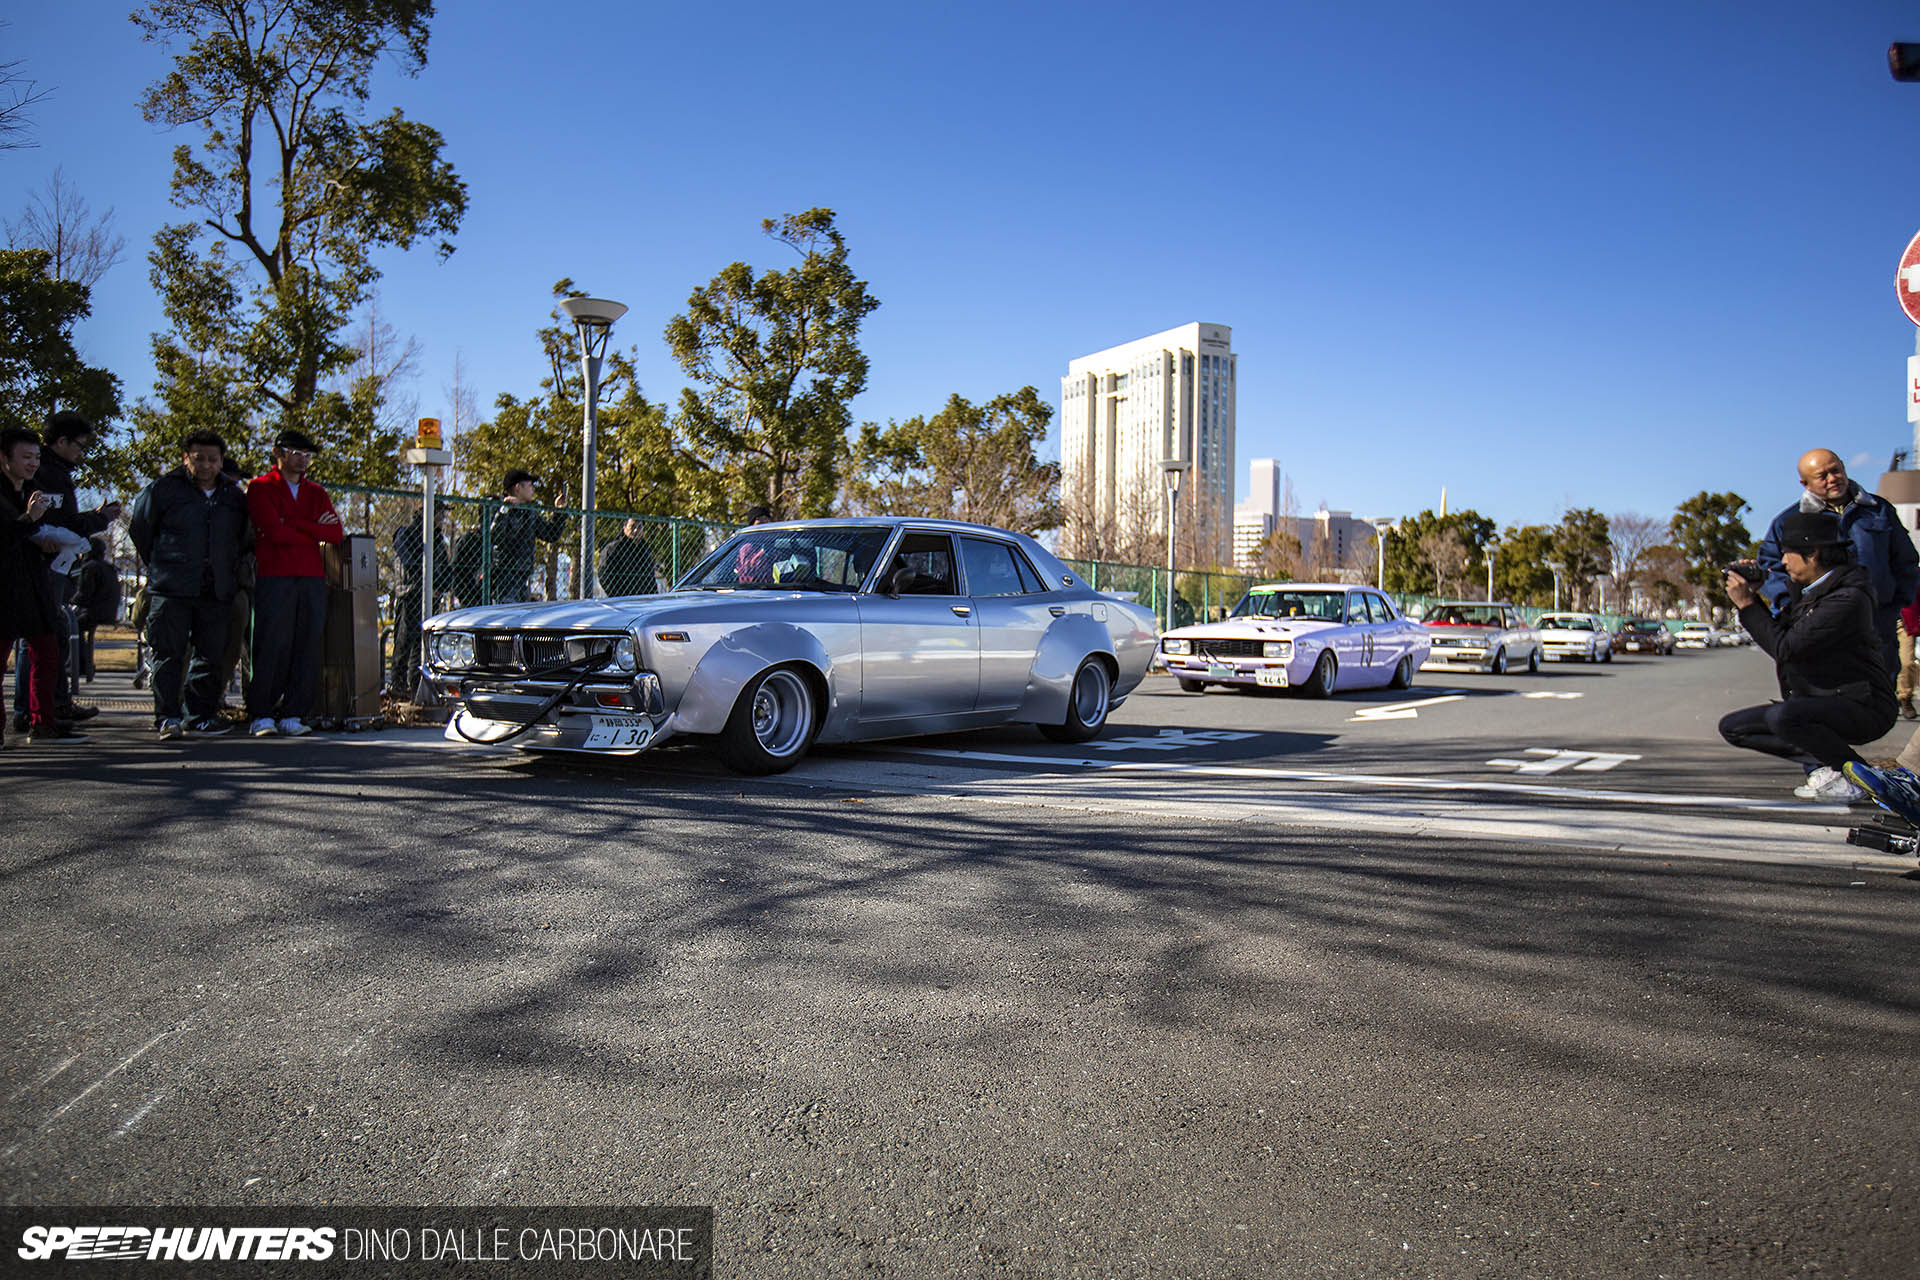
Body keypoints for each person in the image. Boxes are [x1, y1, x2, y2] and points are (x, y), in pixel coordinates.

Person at [1720, 511, 1897, 802]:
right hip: (1824, 702)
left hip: (1864, 706)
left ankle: (1858, 775)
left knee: (1784, 717)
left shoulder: (1847, 598)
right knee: (1734, 728)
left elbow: (1786, 649)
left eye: (1787, 553)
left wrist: (1747, 605)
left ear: (1812, 553)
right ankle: (1836, 765)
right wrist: (1755, 595)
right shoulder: (1814, 593)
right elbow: (1782, 636)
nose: (1783, 562)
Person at [128, 429, 252, 739]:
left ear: (221, 461)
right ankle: (167, 716)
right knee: (168, 654)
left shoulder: (233, 497)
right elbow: (141, 529)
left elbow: (243, 538)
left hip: (216, 588)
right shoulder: (163, 491)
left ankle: (200, 715)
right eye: (199, 459)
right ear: (186, 458)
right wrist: (164, 563)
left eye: (213, 459)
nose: (207, 466)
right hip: (171, 588)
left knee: (209, 654)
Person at [1757, 449, 1918, 676]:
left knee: (1880, 693)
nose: (1833, 479)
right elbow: (1770, 567)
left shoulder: (1879, 510)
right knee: (1828, 696)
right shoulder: (1790, 521)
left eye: (1836, 470)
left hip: (1877, 622)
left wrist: (1895, 604)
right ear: (1805, 483)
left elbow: (1906, 561)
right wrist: (1793, 604)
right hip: (1820, 627)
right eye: (1823, 476)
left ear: (1843, 467)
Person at [10, 411, 119, 732]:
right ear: (61, 442)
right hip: (43, 564)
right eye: (80, 446)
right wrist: (101, 519)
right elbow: (61, 522)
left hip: (46, 562)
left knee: (46, 635)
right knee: (41, 635)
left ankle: (45, 705)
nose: (81, 453)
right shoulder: (49, 474)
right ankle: (34, 709)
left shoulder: (52, 473)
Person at [246, 429, 342, 737]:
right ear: (279, 453)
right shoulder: (260, 487)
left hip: (312, 577)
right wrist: (313, 528)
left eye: (307, 456)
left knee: (307, 644)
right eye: (296, 453)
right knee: (272, 642)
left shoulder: (316, 492)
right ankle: (261, 712)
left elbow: (335, 533)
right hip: (274, 575)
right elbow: (272, 531)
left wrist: (295, 524)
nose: (302, 461)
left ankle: (294, 712)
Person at [0, 426, 83, 745]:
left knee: (47, 651)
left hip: (34, 583)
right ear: (4, 458)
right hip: (4, 587)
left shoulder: (35, 489)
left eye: (36, 456)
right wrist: (29, 520)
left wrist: (49, 540)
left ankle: (43, 722)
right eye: (25, 456)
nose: (33, 463)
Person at [389, 499, 450, 696]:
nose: (442, 518)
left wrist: (440, 587)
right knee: (405, 640)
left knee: (422, 643)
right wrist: (425, 585)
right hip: (411, 594)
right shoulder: (406, 534)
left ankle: (416, 685)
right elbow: (410, 563)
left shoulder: (438, 538)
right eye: (439, 513)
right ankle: (396, 685)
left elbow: (446, 568)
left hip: (432, 597)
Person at [488, 469, 565, 603]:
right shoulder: (497, 507)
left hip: (523, 576)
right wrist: (505, 510)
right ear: (518, 488)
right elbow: (495, 535)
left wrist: (559, 512)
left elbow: (550, 534)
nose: (533, 489)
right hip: (504, 576)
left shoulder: (528, 512)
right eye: (530, 485)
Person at [71, 539, 121, 681]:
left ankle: (79, 665)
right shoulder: (109, 568)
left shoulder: (90, 567)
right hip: (108, 612)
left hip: (94, 613)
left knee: (69, 626)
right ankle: (83, 664)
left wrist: (70, 602)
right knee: (76, 627)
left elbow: (84, 594)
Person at [597, 518, 658, 597]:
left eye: (639, 527)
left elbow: (650, 577)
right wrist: (617, 596)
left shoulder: (644, 549)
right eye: (632, 526)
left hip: (644, 599)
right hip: (622, 599)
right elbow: (604, 575)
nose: (636, 530)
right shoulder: (613, 549)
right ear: (624, 528)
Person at [734, 504, 772, 584]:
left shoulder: (772, 544)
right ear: (752, 526)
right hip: (751, 589)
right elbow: (748, 569)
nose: (764, 528)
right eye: (760, 524)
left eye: (767, 524)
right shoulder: (747, 547)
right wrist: (762, 553)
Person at [1900, 587, 1920, 721]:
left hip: (1909, 623)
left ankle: (1905, 697)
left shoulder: (1912, 574)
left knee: (1907, 663)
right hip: (1890, 620)